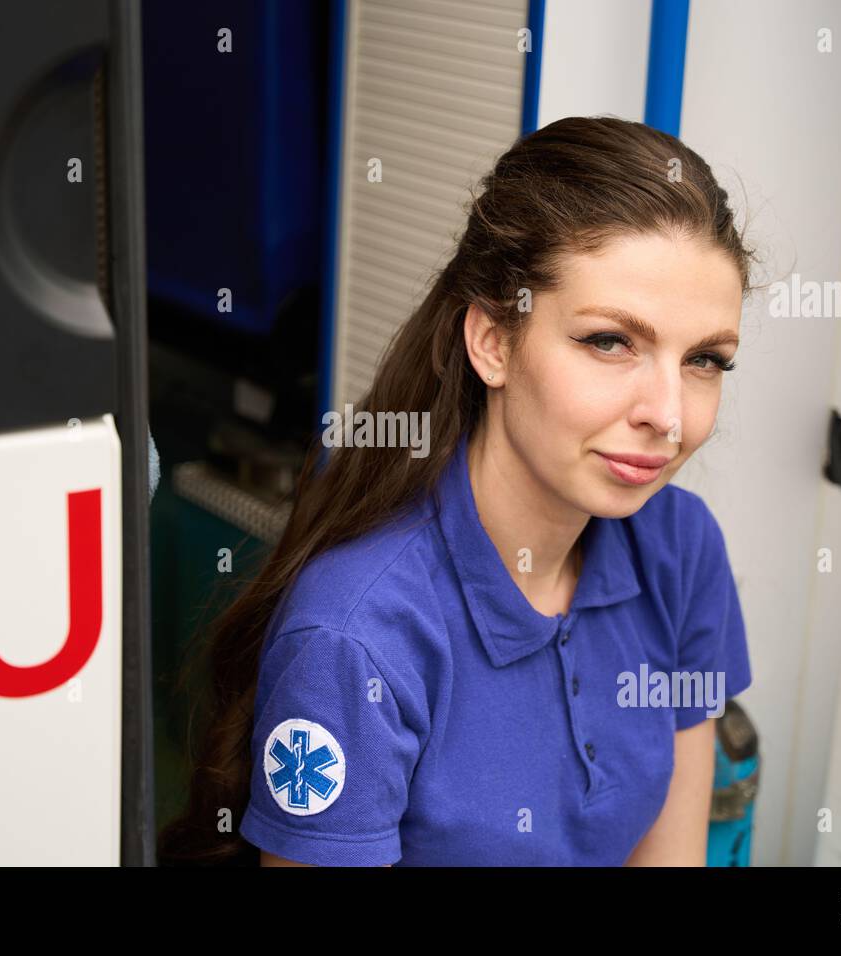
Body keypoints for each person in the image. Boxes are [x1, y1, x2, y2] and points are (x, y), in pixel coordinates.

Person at [158, 115, 756, 866]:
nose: (668, 417)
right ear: (493, 342)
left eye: (705, 360)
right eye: (610, 342)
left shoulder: (681, 547)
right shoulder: (357, 642)